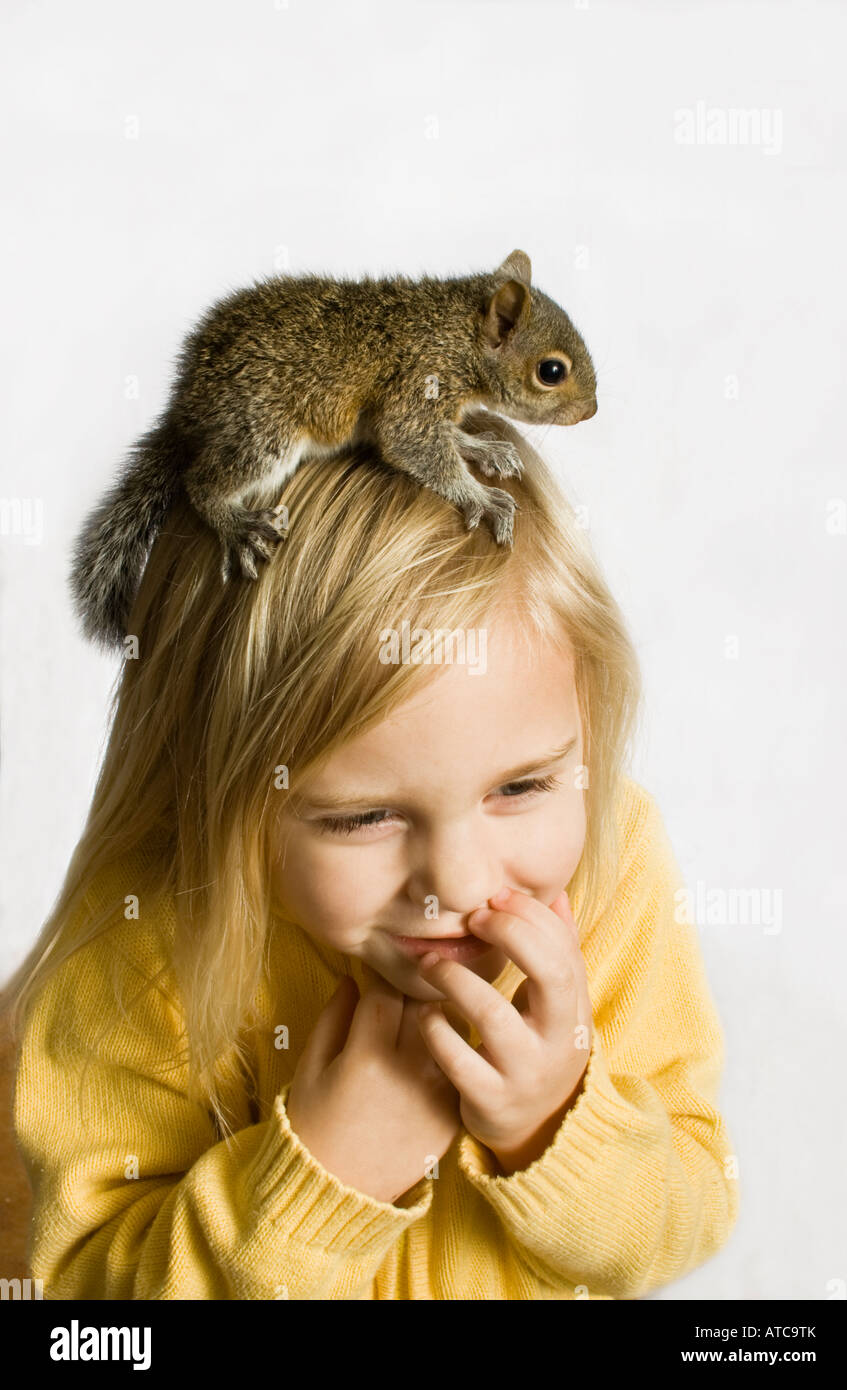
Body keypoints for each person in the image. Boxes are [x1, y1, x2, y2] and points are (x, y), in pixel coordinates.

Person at [6, 409, 739, 1299]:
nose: (461, 885)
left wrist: (557, 1130)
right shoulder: (146, 947)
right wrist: (321, 1177)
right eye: (363, 819)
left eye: (521, 789)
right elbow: (91, 1313)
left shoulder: (614, 873)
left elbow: (691, 1211)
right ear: (217, 792)